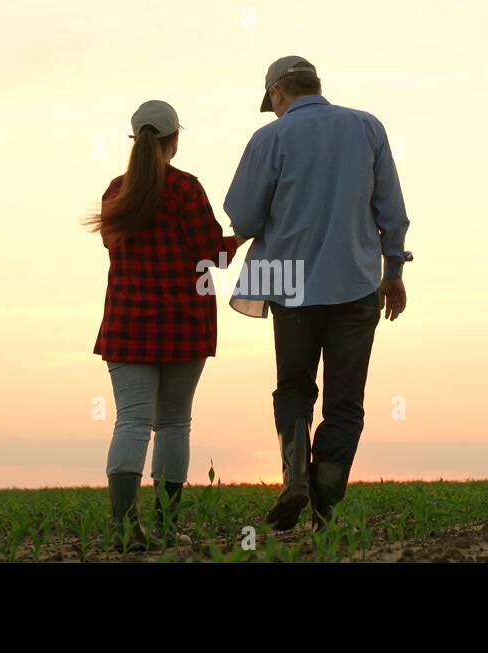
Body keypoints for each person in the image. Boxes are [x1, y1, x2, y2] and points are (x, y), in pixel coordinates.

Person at [224, 56, 411, 531]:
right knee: (345, 402)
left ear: (278, 95)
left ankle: (295, 480)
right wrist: (393, 271)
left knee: (293, 388)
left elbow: (242, 216)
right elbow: (391, 207)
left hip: (289, 283)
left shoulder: (271, 137)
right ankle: (325, 501)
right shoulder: (367, 127)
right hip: (356, 282)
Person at [86, 100, 243, 551]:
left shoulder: (115, 192)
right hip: (184, 325)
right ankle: (169, 528)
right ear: (176, 139)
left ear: (135, 141)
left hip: (127, 323)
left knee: (131, 423)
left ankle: (124, 531)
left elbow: (114, 249)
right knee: (174, 424)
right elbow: (213, 254)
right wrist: (246, 235)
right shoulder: (186, 189)